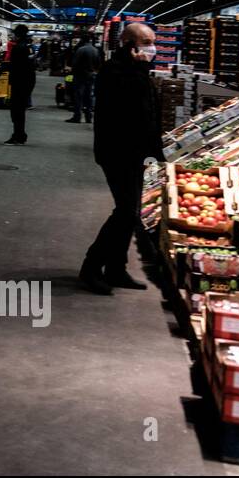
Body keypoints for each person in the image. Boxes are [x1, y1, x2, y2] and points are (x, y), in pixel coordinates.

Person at [79, 22, 162, 294]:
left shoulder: (135, 70)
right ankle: (91, 268)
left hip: (135, 152)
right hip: (117, 152)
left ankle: (116, 268)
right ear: (130, 45)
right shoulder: (115, 71)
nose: (153, 49)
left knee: (131, 212)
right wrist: (140, 68)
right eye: (147, 43)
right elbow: (132, 109)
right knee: (125, 212)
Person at [5, 24, 35, 144]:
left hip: (20, 82)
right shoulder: (29, 46)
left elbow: (13, 65)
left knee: (16, 111)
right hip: (28, 80)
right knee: (20, 110)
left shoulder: (18, 48)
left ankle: (18, 136)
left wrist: (0, 70)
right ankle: (20, 135)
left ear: (17, 34)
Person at [66, 33, 102, 124]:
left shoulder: (81, 50)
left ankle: (77, 117)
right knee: (89, 96)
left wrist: (72, 71)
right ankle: (88, 117)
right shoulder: (95, 50)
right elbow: (98, 64)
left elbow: (75, 63)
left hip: (80, 75)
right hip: (91, 75)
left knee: (78, 96)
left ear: (83, 40)